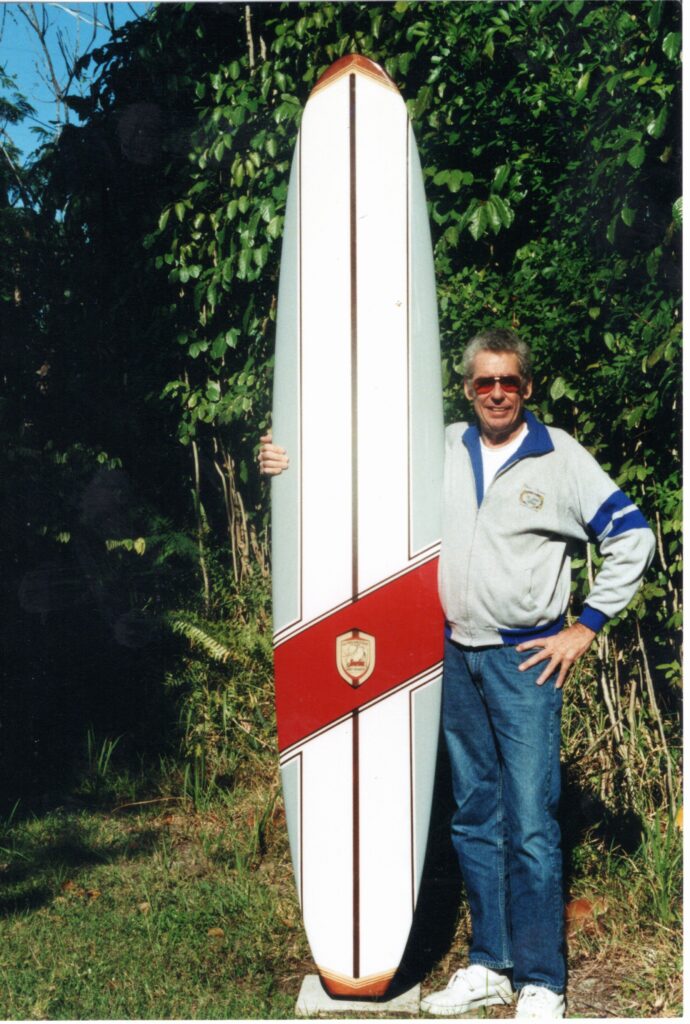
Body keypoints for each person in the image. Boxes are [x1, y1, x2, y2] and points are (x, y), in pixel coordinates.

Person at [259, 327, 655, 1019]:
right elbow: (362, 472)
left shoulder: (559, 455)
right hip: (451, 657)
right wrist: (287, 460)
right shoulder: (442, 447)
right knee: (474, 816)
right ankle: (490, 965)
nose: (497, 393)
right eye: (484, 382)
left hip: (525, 660)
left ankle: (542, 980)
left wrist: (585, 627)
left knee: (530, 824)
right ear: (468, 388)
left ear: (527, 387)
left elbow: (633, 534)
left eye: (509, 381)